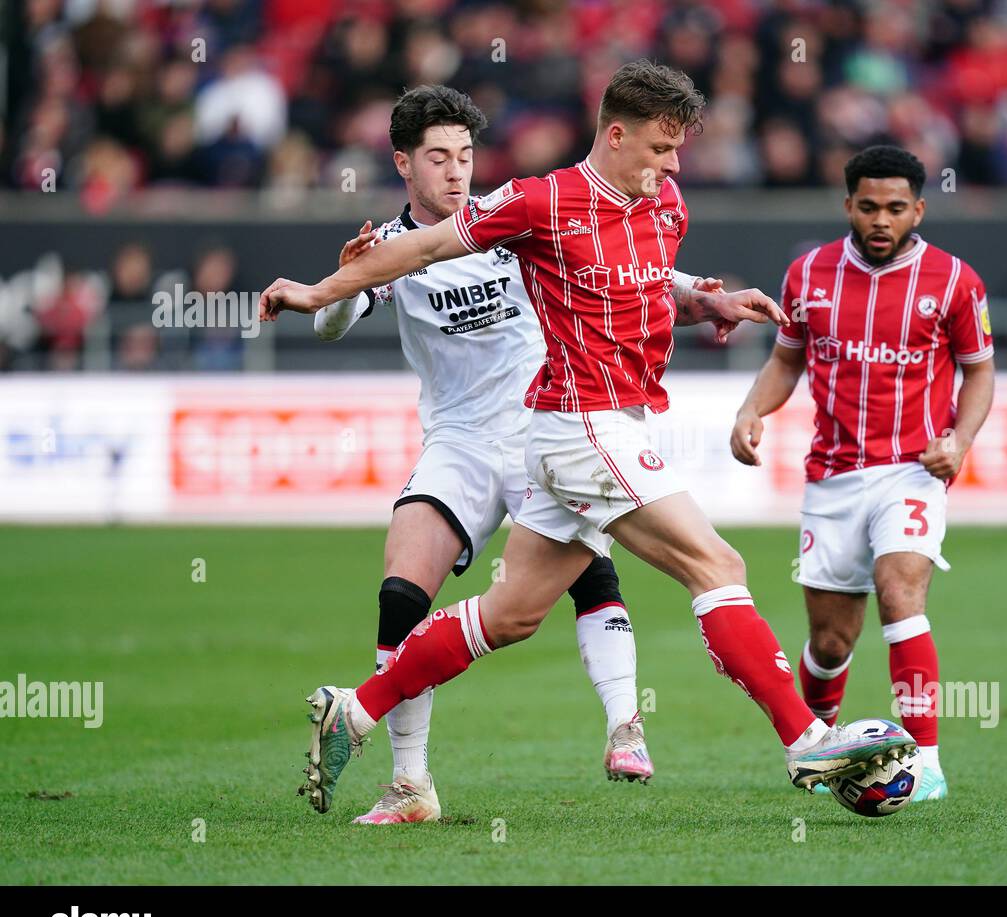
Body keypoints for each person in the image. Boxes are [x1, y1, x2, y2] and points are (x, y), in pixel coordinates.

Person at [261, 60, 917, 817]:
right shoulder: (539, 202)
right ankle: (806, 741)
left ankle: (358, 708)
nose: (673, 167)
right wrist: (317, 291)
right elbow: (417, 250)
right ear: (615, 134)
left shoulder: (664, 204)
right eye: (660, 149)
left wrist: (709, 301)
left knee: (509, 614)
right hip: (578, 425)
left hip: (607, 424)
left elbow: (645, 287)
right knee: (718, 562)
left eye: (677, 152)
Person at [309, 84, 720, 822]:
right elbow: (335, 326)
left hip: (544, 425)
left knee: (588, 572)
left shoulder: (510, 217)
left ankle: (626, 725)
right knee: (402, 589)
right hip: (460, 442)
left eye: (465, 155)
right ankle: (410, 785)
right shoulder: (395, 252)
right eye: (437, 158)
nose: (456, 171)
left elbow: (628, 261)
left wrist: (702, 293)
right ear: (404, 164)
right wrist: (334, 287)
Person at [730, 145, 996, 802]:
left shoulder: (955, 281)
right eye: (870, 206)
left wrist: (958, 441)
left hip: (912, 471)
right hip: (833, 476)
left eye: (897, 209)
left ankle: (926, 760)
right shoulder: (808, 274)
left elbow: (980, 371)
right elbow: (786, 361)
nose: (882, 220)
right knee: (829, 640)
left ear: (919, 209)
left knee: (901, 593)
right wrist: (750, 411)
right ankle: (821, 749)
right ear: (849, 204)